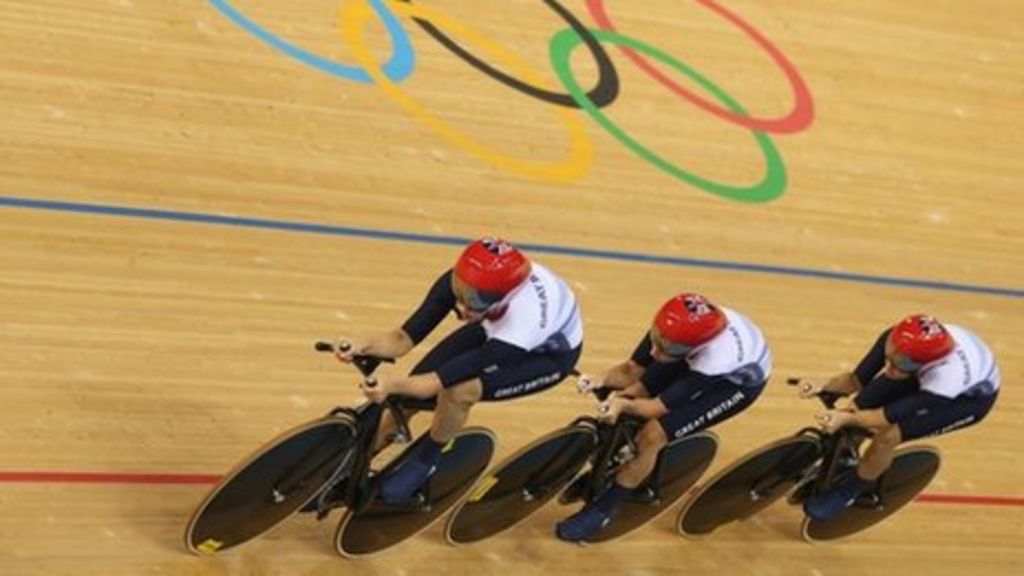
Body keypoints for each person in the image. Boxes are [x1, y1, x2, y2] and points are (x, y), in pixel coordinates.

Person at [333, 237, 583, 504]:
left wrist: (390, 385)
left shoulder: (523, 322)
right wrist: (362, 345)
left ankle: (427, 460)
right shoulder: (469, 282)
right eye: (461, 291)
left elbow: (434, 383)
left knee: (458, 391)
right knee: (405, 399)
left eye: (473, 299)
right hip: (493, 328)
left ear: (503, 298)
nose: (461, 306)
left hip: (545, 357)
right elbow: (401, 339)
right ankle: (346, 468)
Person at [556, 293, 772, 542]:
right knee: (633, 392)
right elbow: (631, 370)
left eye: (665, 347)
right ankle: (611, 461)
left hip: (733, 386)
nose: (655, 351)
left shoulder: (715, 360)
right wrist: (601, 379)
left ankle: (604, 509)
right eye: (656, 339)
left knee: (653, 435)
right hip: (694, 349)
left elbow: (656, 408)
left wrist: (623, 404)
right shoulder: (673, 328)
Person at [800, 313, 1000, 520]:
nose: (890, 368)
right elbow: (854, 380)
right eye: (891, 358)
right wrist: (822, 385)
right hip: (925, 371)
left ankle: (851, 490)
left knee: (887, 437)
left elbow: (883, 417)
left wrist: (847, 419)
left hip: (965, 402)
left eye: (902, 364)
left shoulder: (945, 380)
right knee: (859, 406)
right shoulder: (897, 340)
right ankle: (846, 456)